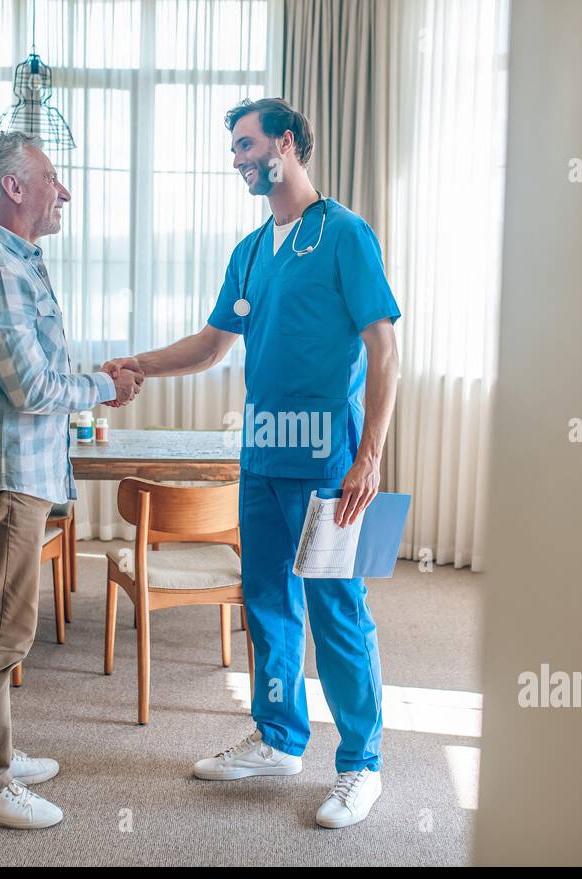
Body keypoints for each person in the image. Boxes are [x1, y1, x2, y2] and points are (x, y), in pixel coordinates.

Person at [103, 98, 401, 829]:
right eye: (233, 147)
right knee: (266, 606)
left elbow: (385, 349)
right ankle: (278, 740)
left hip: (330, 458)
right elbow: (210, 347)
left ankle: (362, 764)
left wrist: (370, 458)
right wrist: (136, 364)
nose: (236, 157)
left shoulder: (345, 235)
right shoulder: (249, 249)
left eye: (246, 144)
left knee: (338, 611)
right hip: (262, 457)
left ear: (288, 144)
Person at [0, 131, 140, 829]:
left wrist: (96, 383)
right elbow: (31, 386)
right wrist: (103, 384)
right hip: (5, 473)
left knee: (12, 625)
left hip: (19, 469)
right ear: (16, 188)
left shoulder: (16, 260)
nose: (65, 192)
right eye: (52, 179)